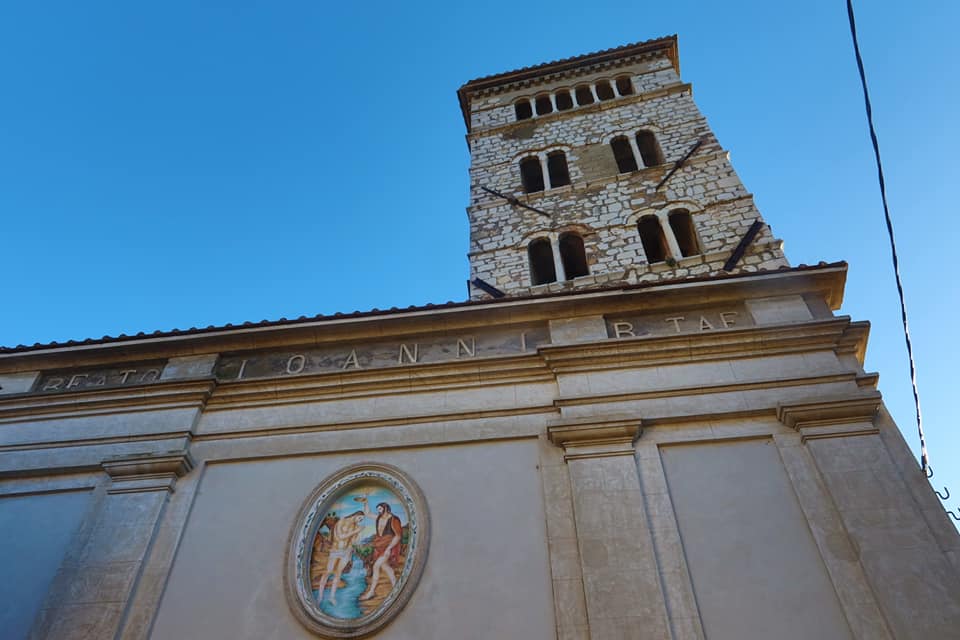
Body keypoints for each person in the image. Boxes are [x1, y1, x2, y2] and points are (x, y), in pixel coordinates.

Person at [358, 499, 403, 601]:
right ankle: (396, 587)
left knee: (376, 566)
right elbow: (367, 513)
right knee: (386, 567)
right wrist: (365, 502)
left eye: (380, 509)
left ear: (385, 508)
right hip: (379, 545)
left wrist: (389, 548)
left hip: (389, 545)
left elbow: (398, 536)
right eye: (378, 509)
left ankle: (371, 592)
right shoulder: (379, 517)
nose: (378, 511)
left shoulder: (393, 519)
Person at [316, 511, 364, 605]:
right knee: (328, 571)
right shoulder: (341, 522)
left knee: (338, 573)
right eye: (360, 518)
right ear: (356, 515)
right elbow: (339, 537)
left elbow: (353, 542)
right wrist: (355, 531)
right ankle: (320, 596)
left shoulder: (355, 526)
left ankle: (332, 597)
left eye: (361, 520)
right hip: (335, 550)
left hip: (346, 552)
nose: (360, 521)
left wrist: (359, 535)